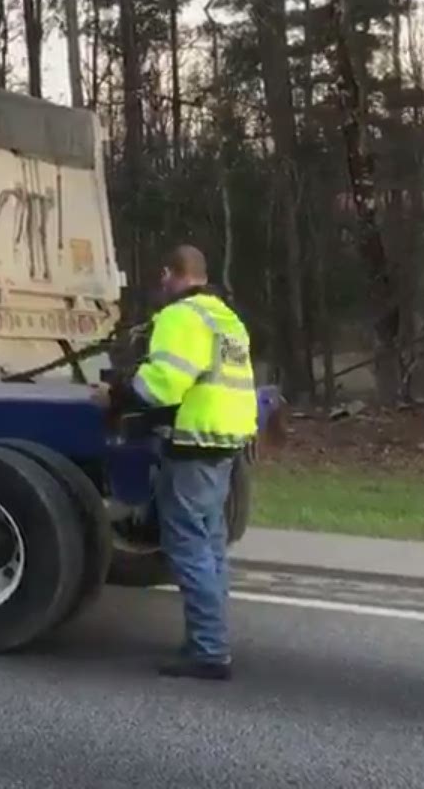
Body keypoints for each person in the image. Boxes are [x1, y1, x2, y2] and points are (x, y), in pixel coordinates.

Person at [107, 244, 257, 681]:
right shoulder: (226, 317)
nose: (162, 285)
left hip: (193, 441)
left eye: (164, 278)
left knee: (188, 546)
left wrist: (116, 395)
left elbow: (164, 384)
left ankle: (209, 650)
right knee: (209, 544)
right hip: (226, 437)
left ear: (170, 274)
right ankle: (212, 639)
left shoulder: (180, 315)